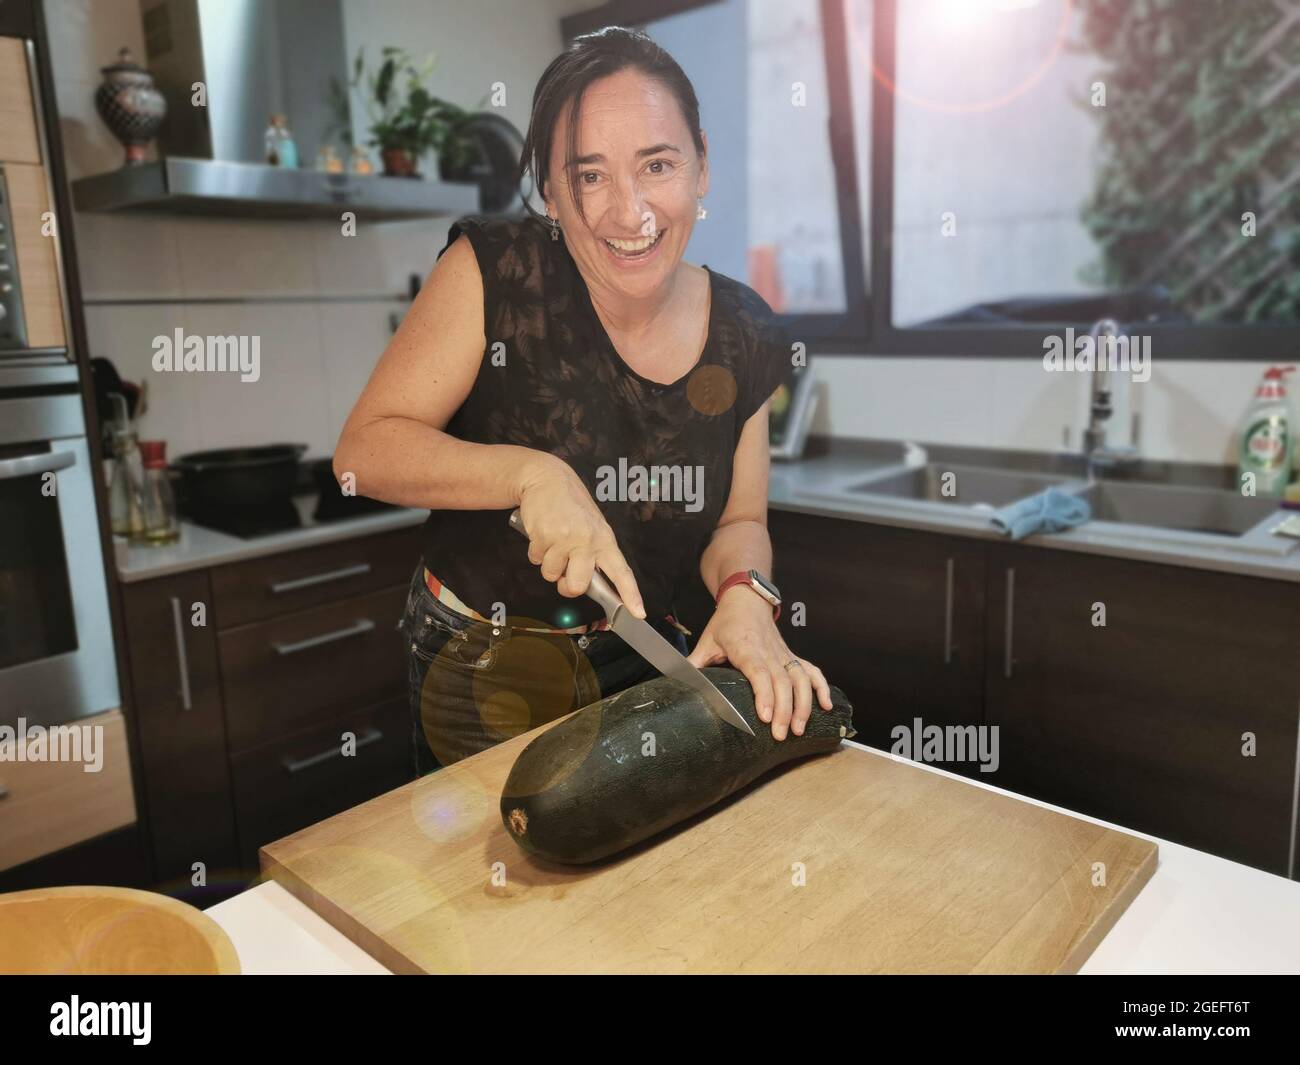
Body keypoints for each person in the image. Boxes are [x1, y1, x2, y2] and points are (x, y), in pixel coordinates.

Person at [334, 25, 832, 774]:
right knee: (492, 876)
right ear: (552, 194)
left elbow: (741, 519)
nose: (628, 212)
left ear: (701, 164)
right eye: (590, 176)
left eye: (657, 164)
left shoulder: (745, 329)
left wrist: (744, 595)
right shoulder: (495, 271)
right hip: (481, 667)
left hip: (646, 662)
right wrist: (533, 474)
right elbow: (364, 452)